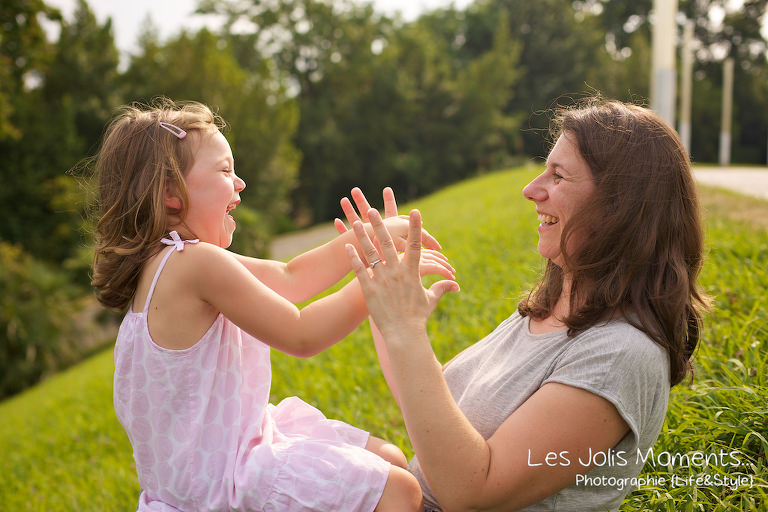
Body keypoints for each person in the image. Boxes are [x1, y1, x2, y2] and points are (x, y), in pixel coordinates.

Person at [338, 98, 709, 511]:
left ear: (619, 206)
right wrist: (386, 301)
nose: (531, 190)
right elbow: (436, 408)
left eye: (558, 176)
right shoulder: (547, 314)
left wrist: (406, 329)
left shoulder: (619, 356)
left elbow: (473, 492)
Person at [90, 98, 457, 511]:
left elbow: (291, 278)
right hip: (226, 482)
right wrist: (376, 278)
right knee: (399, 492)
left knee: (388, 458)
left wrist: (365, 237)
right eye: (226, 170)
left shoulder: (168, 263)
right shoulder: (194, 264)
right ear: (172, 193)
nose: (240, 183)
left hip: (224, 457)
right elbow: (301, 333)